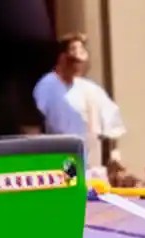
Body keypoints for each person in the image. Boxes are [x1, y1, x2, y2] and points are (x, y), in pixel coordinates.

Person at [33, 32, 125, 176]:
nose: (77, 65)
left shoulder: (90, 89)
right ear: (62, 58)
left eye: (80, 61)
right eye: (73, 60)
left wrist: (114, 155)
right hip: (60, 160)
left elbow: (112, 126)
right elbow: (34, 127)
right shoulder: (46, 86)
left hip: (91, 162)